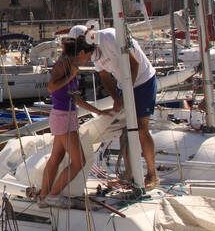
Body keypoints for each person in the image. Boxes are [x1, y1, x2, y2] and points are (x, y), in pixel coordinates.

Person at [81, 23, 160, 189]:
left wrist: (127, 92)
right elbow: (104, 75)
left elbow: (134, 63)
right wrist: (117, 97)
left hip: (143, 80)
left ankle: (152, 174)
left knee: (141, 128)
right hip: (123, 84)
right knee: (125, 131)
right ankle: (129, 174)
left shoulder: (111, 37)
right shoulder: (93, 52)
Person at [38, 32, 105, 206]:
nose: (88, 60)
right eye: (89, 56)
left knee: (56, 159)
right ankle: (53, 195)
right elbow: (52, 88)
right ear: (82, 53)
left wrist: (98, 111)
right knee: (79, 162)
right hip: (63, 117)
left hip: (67, 116)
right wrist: (70, 76)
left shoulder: (71, 66)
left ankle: (43, 197)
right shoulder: (64, 65)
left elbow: (77, 99)